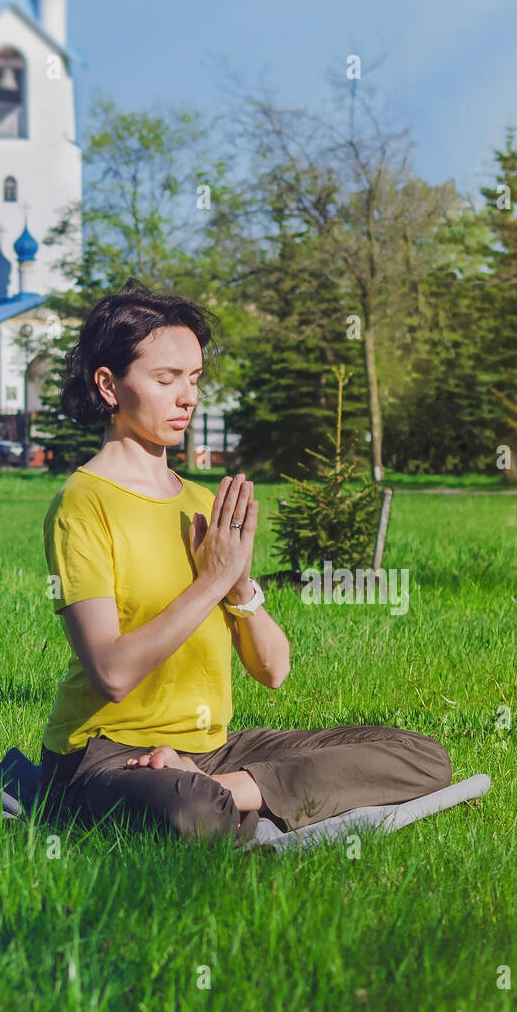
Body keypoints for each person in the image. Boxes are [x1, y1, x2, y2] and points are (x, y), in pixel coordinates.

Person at [38, 279, 451, 844]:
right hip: (110, 756)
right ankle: (237, 796)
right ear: (108, 385)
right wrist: (211, 582)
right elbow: (111, 674)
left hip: (211, 750)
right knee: (193, 814)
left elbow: (274, 671)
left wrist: (238, 587)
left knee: (421, 756)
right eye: (165, 379)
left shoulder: (201, 502)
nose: (187, 397)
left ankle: (237, 790)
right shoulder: (83, 504)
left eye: (194, 379)